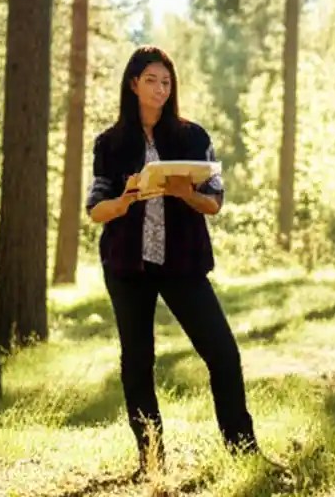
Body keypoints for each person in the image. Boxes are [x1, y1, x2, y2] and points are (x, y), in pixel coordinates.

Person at [85, 45, 258, 476]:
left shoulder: (193, 137)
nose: (161, 89)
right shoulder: (110, 143)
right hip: (128, 267)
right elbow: (95, 210)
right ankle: (152, 462)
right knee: (138, 361)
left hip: (182, 263)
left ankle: (243, 451)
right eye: (151, 80)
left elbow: (215, 201)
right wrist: (124, 200)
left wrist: (185, 192)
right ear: (133, 84)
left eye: (166, 81)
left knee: (222, 352)